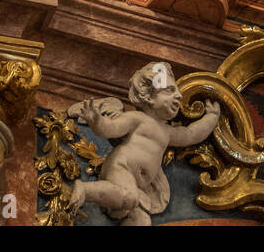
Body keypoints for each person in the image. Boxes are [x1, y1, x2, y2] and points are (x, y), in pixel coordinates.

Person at [67, 62, 221, 225]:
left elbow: (191, 134)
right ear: (148, 96)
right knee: (129, 196)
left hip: (138, 185)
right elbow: (111, 128)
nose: (179, 96)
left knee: (142, 220)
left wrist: (212, 116)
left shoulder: (167, 132)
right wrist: (97, 121)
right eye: (170, 90)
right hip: (121, 166)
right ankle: (85, 189)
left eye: (177, 91)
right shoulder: (138, 119)